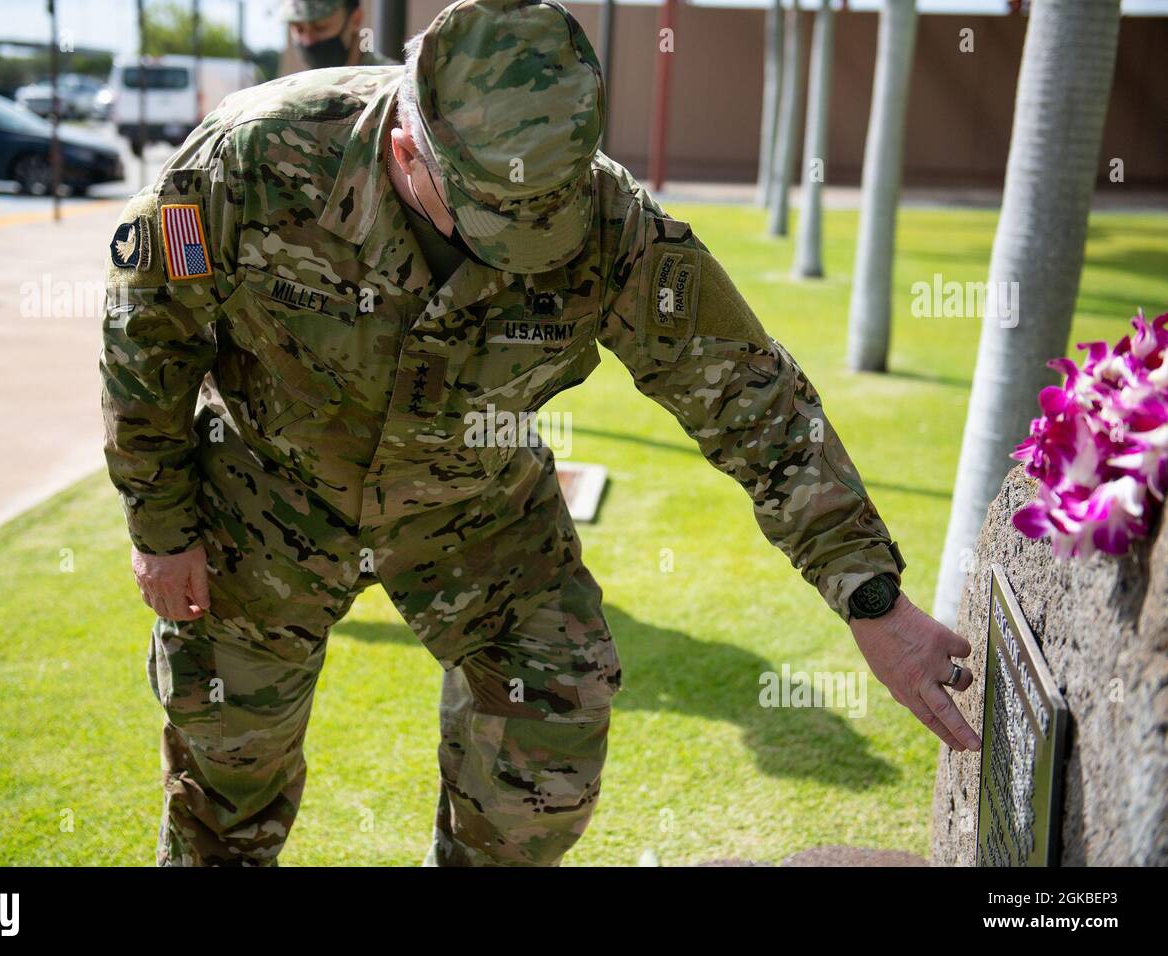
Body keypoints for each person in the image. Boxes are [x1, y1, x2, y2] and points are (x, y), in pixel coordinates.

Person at [101, 0, 980, 867]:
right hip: (265, 496)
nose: (522, 248)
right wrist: (162, 528)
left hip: (473, 510)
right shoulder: (250, 157)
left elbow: (751, 399)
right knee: (226, 783)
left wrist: (872, 599)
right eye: (492, 222)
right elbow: (147, 333)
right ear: (407, 151)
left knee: (548, 738)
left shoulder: (607, 218)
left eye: (544, 221)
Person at [281, 0, 397, 70]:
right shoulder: (295, 90)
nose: (308, 40)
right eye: (299, 29)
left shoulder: (392, 81)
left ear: (355, 20)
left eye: (321, 27)